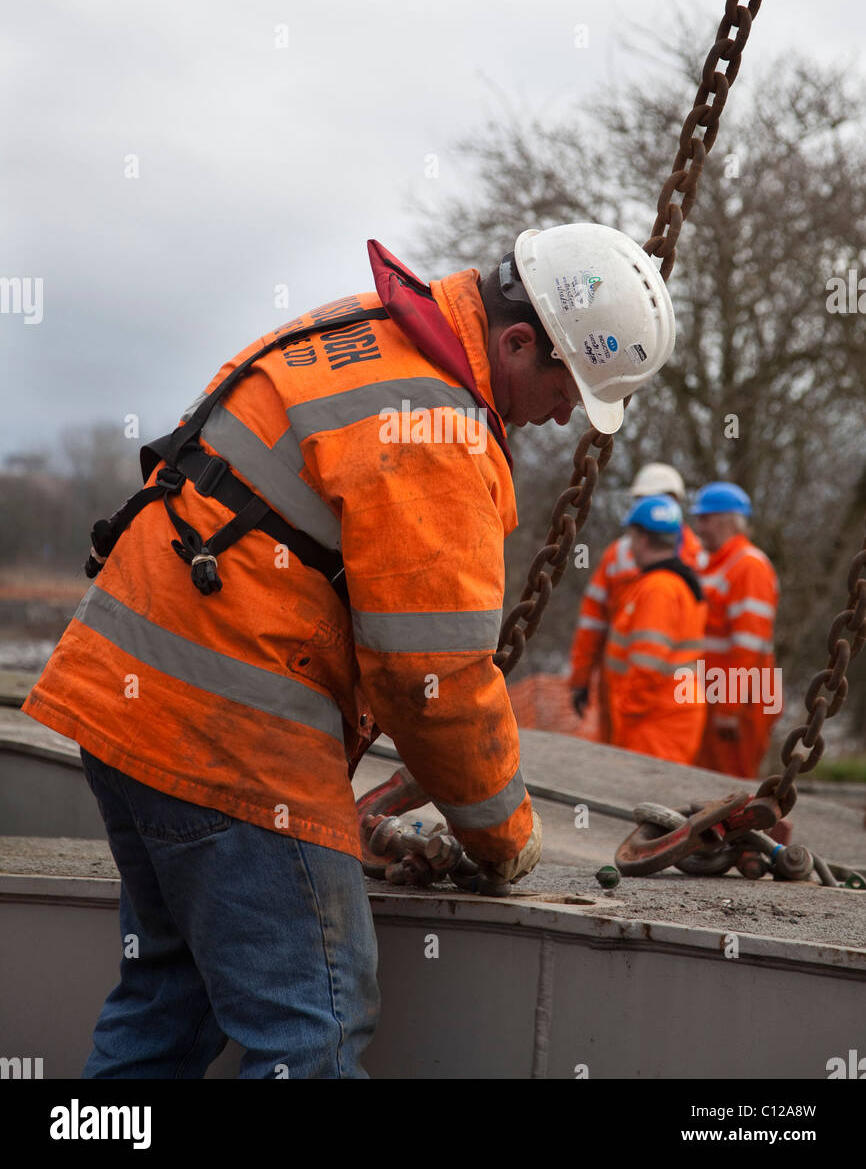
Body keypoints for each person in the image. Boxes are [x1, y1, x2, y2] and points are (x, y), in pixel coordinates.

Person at [21, 221, 675, 1078]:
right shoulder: (435, 428)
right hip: (231, 743)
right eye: (569, 390)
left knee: (168, 1002)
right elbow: (428, 678)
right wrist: (502, 833)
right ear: (518, 341)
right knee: (313, 1030)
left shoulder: (355, 334)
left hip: (124, 703)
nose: (563, 416)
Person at [568, 462, 702, 738]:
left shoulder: (683, 566)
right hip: (629, 690)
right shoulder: (621, 555)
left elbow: (661, 651)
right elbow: (593, 622)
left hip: (653, 703)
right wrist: (581, 679)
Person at [603, 495, 707, 764]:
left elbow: (647, 665)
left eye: (631, 537)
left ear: (643, 539)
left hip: (654, 721)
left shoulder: (658, 589)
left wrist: (625, 713)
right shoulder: (672, 583)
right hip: (666, 717)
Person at [690, 482, 780, 777]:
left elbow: (749, 645)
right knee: (708, 785)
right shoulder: (716, 564)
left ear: (727, 520)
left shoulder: (749, 567)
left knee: (731, 787)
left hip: (742, 703)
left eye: (704, 519)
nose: (698, 527)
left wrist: (730, 709)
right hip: (717, 696)